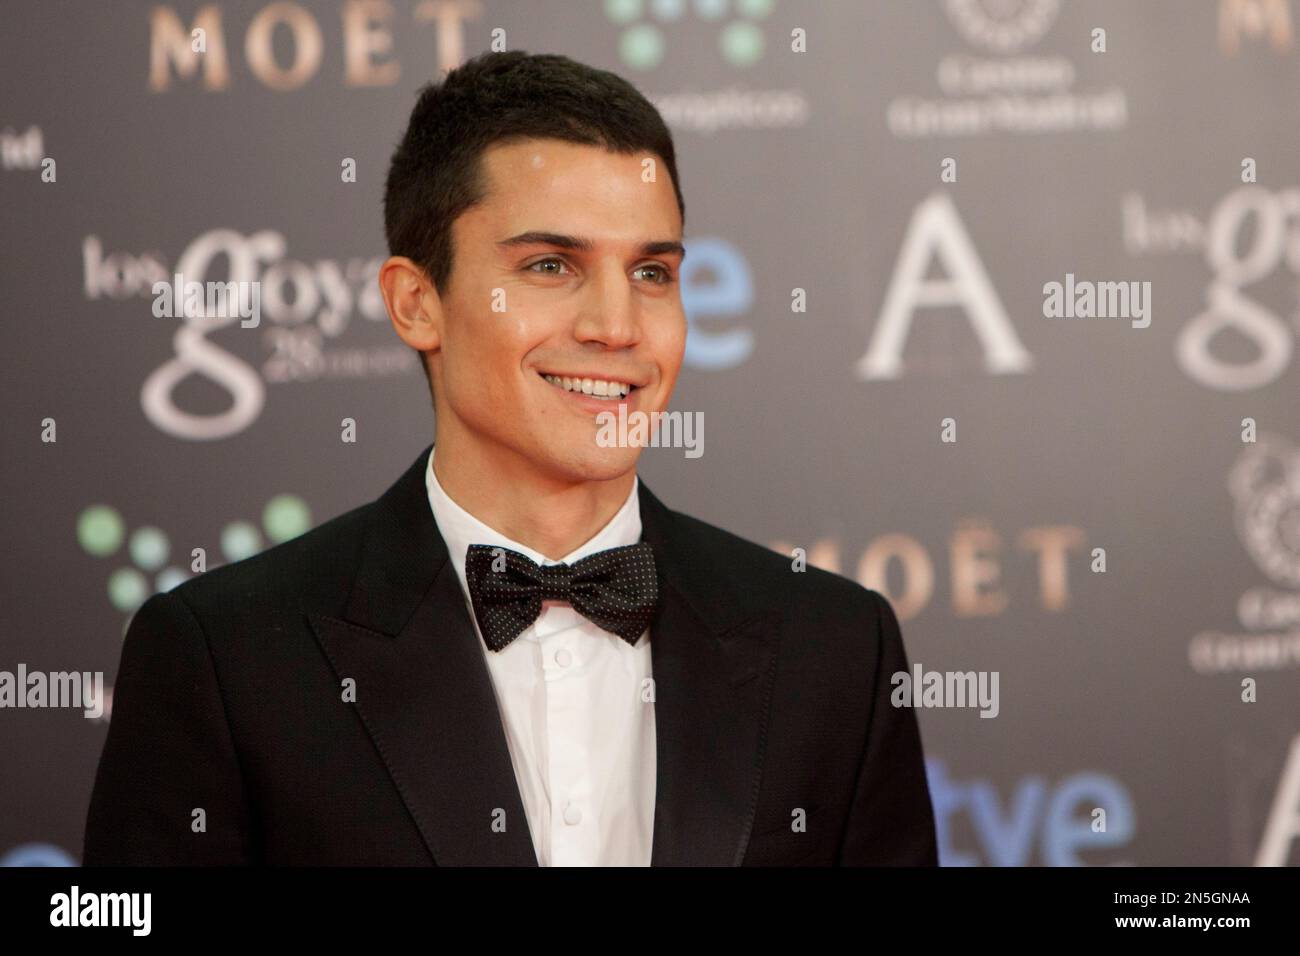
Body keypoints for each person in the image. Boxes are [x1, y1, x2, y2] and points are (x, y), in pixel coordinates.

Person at [83, 50, 937, 867]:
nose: (617, 326)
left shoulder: (833, 651)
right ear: (418, 303)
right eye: (551, 264)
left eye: (651, 272)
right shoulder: (226, 660)